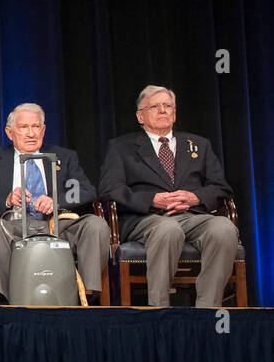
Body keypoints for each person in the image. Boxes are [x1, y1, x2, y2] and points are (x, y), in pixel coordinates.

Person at [99, 85, 238, 306]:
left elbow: (221, 187)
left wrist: (195, 198)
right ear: (140, 116)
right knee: (168, 229)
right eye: (155, 106)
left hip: (192, 217)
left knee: (224, 228)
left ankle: (208, 309)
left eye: (168, 106)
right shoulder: (121, 147)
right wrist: (152, 200)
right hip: (146, 219)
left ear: (174, 113)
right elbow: (109, 189)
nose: (163, 110)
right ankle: (160, 309)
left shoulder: (199, 145)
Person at [0, 102, 109, 303]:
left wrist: (56, 201)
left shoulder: (65, 157)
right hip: (13, 226)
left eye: (36, 127)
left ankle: (86, 293)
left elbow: (86, 191)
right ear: (10, 132)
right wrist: (7, 199)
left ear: (43, 130)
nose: (31, 133)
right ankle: (6, 298)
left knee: (96, 225)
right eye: (24, 127)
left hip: (58, 225)